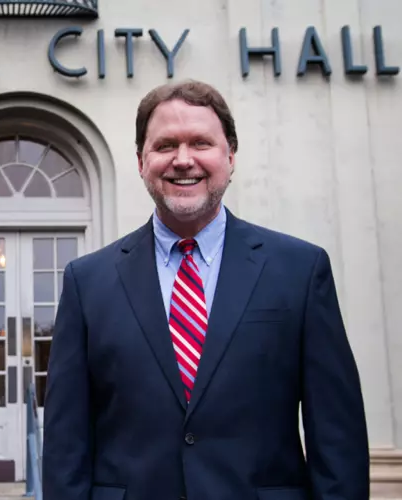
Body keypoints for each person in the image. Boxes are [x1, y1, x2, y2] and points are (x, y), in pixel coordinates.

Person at [42, 80, 370, 500]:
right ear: (141, 161)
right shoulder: (86, 283)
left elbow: (337, 439)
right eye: (164, 146)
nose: (183, 160)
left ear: (230, 156)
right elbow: (65, 444)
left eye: (201, 143)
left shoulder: (301, 271)